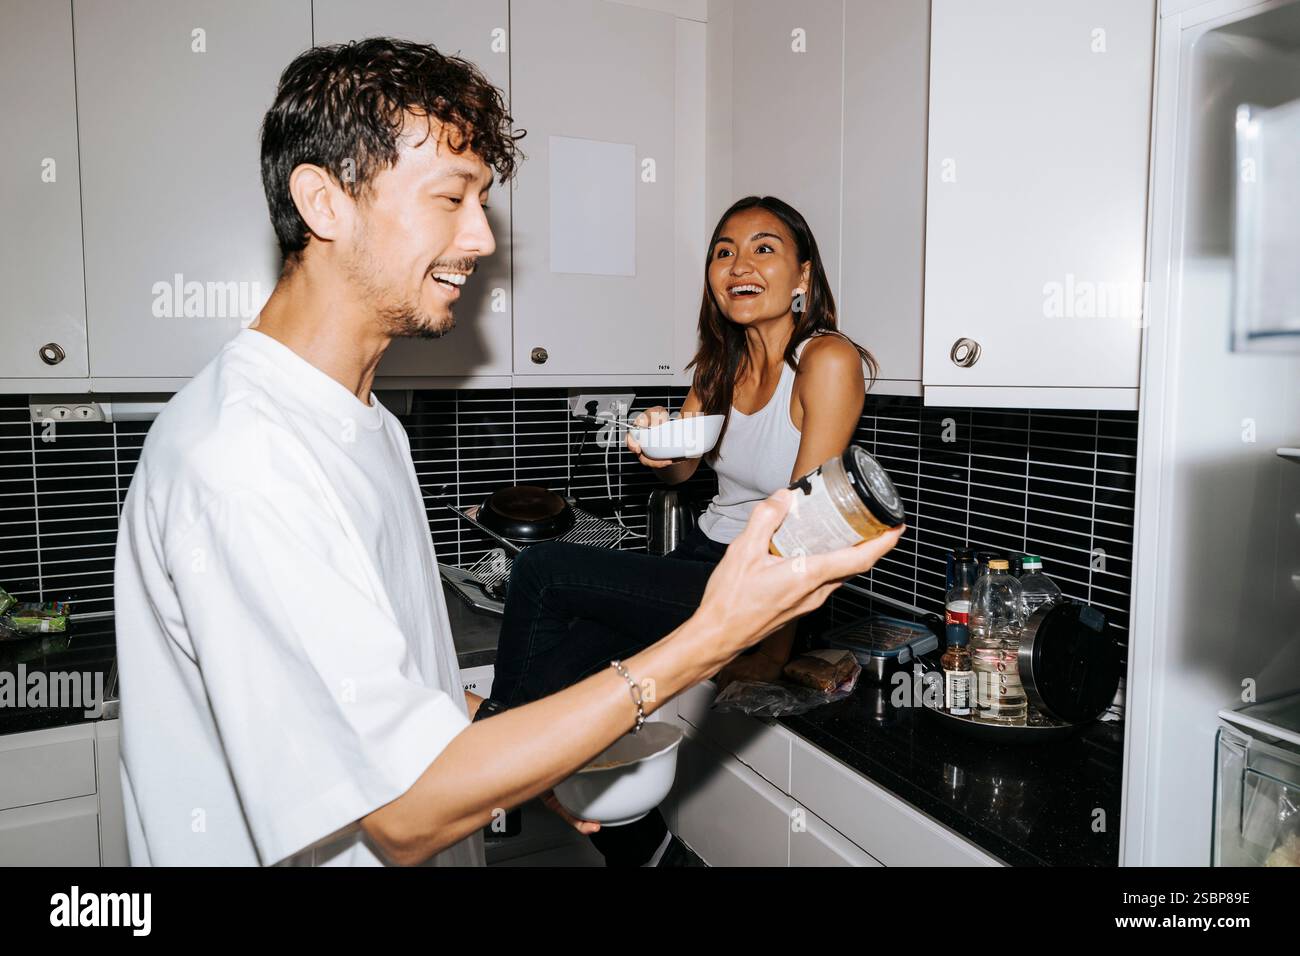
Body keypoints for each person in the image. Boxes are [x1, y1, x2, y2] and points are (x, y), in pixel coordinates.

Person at [112, 38, 902, 867]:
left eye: (480, 201)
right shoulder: (246, 457)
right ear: (325, 203)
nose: (481, 238)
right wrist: (711, 636)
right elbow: (406, 813)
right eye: (450, 198)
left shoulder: (364, 422)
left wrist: (512, 758)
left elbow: (396, 694)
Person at [485, 196, 882, 865]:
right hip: (702, 561)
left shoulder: (827, 361)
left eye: (764, 248)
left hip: (763, 582)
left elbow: (809, 527)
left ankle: (489, 762)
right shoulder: (716, 365)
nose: (738, 264)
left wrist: (768, 648)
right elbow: (681, 474)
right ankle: (646, 848)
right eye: (723, 251)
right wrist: (660, 450)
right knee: (580, 677)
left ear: (803, 277)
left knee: (544, 570)